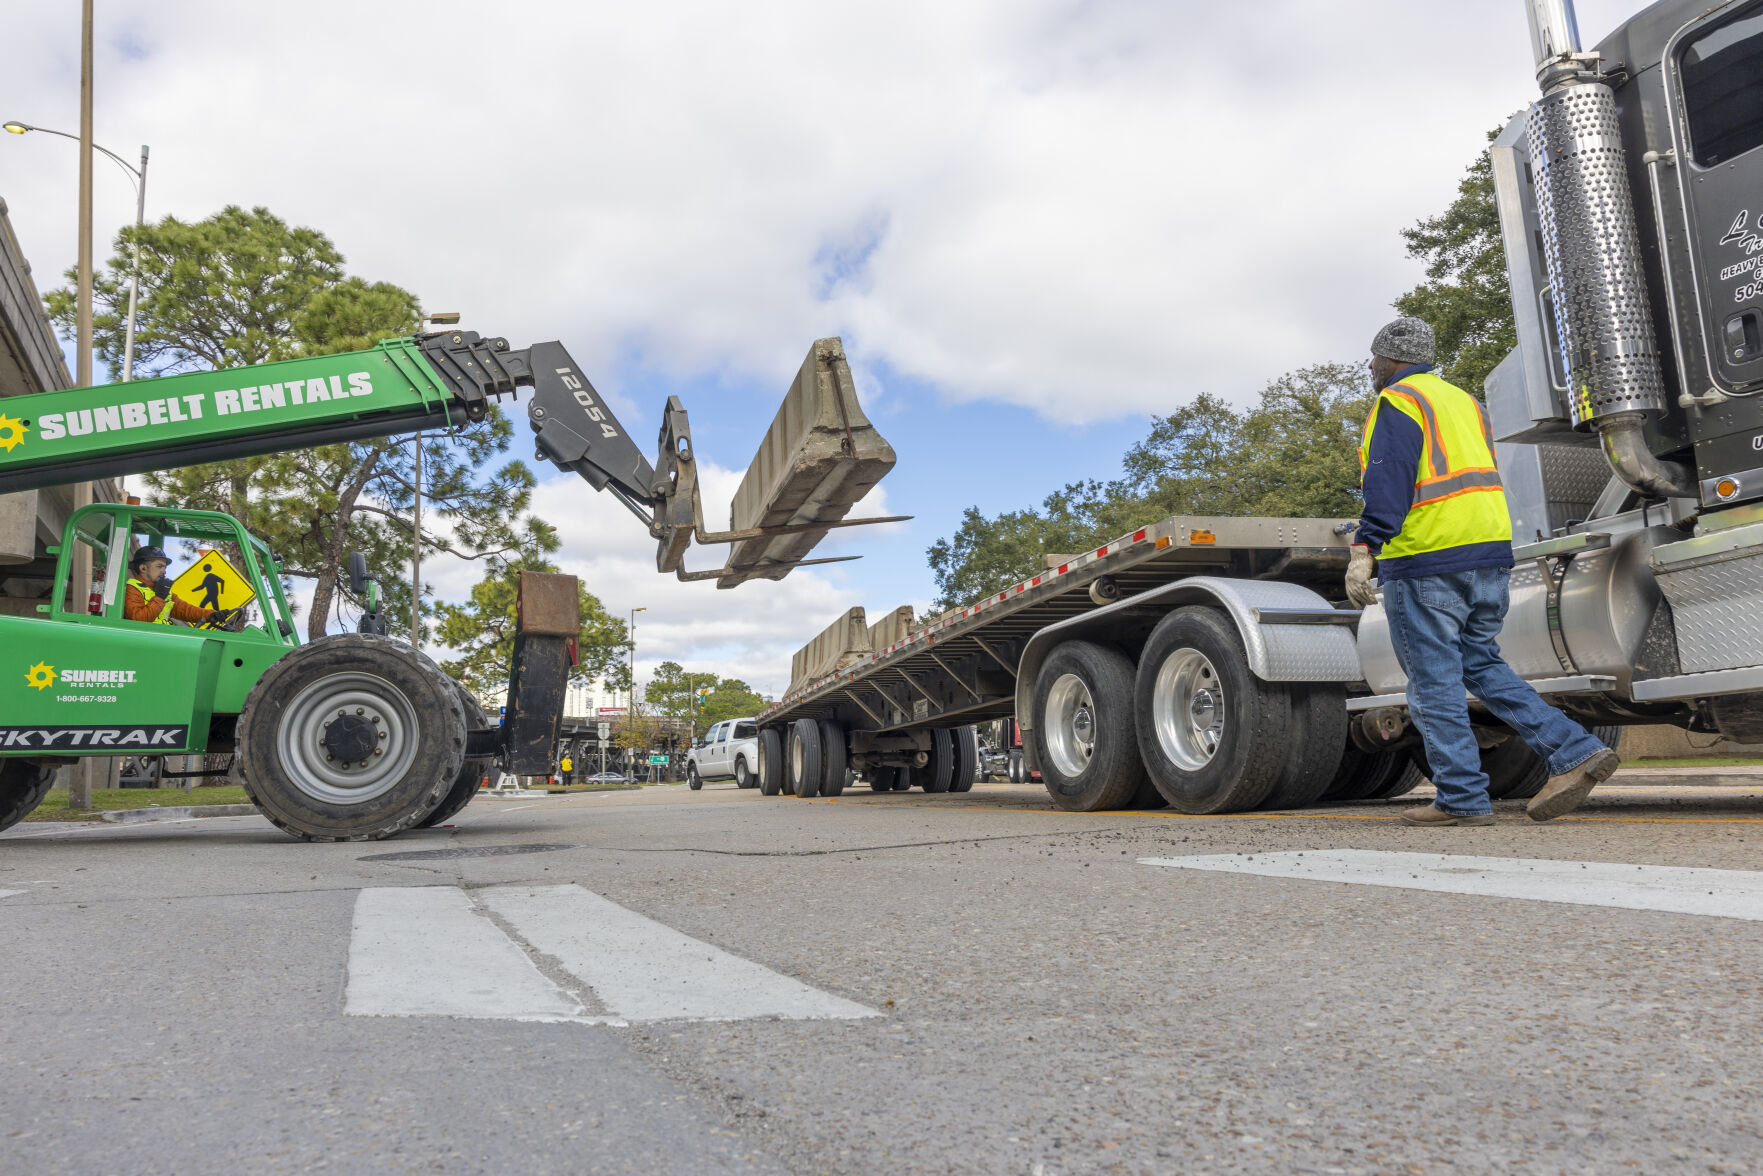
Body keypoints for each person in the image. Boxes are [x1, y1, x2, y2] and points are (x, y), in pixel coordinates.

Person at [1347, 316, 1618, 825]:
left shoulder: (1398, 401)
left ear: (1392, 358)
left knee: (1433, 683)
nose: (1370, 365)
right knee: (1482, 666)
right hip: (1488, 554)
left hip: (1428, 558)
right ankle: (1575, 750)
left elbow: (1389, 480)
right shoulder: (1467, 403)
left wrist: (1365, 548)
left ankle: (1461, 799)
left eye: (1374, 356)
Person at [124, 546, 228, 627]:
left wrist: (211, 615)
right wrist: (159, 598)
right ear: (143, 568)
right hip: (144, 643)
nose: (164, 571)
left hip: (159, 640)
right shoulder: (132, 589)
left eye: (165, 567)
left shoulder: (162, 591)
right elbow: (138, 621)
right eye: (159, 566)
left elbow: (186, 610)